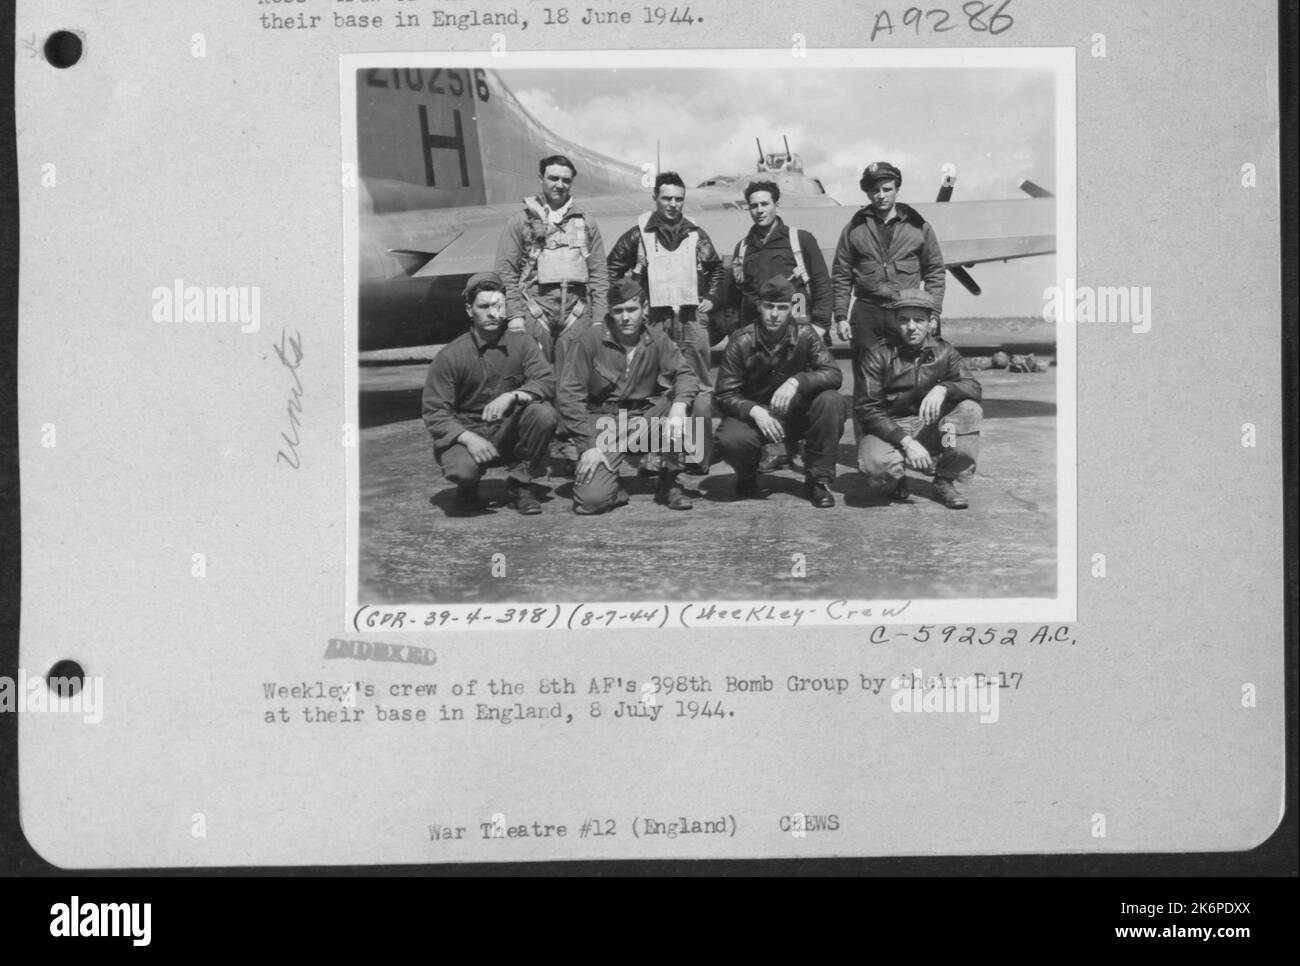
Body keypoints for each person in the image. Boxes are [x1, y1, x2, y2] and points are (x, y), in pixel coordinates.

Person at [606, 171, 725, 472]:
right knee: (654, 389)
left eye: (678, 199)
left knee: (698, 388)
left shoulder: (696, 233)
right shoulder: (638, 234)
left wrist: (710, 297)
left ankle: (697, 455)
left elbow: (716, 269)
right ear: (655, 198)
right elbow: (611, 269)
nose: (673, 204)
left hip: (690, 319)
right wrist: (631, 302)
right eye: (666, 198)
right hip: (655, 321)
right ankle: (655, 454)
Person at [557, 278, 700, 514]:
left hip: (642, 418)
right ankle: (611, 482)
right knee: (591, 502)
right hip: (602, 424)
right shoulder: (588, 340)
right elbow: (569, 397)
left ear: (644, 309)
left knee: (696, 403)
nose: (625, 317)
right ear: (610, 312)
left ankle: (669, 479)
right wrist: (588, 446)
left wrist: (678, 406)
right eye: (618, 311)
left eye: (632, 309)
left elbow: (686, 374)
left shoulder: (657, 338)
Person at [421, 273, 559, 514]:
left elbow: (546, 380)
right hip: (468, 432)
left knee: (543, 414)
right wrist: (467, 437)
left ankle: (520, 483)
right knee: (462, 469)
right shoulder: (451, 355)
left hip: (507, 432)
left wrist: (514, 396)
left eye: (497, 305)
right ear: (469, 310)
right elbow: (435, 412)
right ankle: (468, 487)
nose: (492, 313)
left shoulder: (523, 344)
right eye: (483, 306)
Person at [729, 179, 834, 473]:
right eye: (754, 205)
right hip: (761, 341)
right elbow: (738, 296)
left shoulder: (800, 240)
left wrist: (822, 326)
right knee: (763, 393)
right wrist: (736, 334)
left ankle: (806, 451)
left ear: (776, 205)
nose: (759, 210)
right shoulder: (743, 247)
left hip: (800, 336)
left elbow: (822, 283)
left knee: (806, 393)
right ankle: (774, 449)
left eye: (765, 204)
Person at [714, 276, 847, 508]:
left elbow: (833, 373)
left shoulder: (806, 334)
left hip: (797, 413)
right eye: (769, 307)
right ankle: (747, 473)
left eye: (782, 308)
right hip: (759, 417)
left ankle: (818, 480)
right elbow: (724, 394)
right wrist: (754, 410)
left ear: (791, 309)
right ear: (759, 306)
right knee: (730, 439)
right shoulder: (741, 341)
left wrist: (798, 381)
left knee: (831, 401)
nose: (775, 314)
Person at [854, 289, 982, 509]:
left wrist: (944, 389)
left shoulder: (946, 352)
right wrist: (908, 443)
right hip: (892, 430)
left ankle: (944, 479)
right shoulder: (878, 355)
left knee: (969, 410)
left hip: (934, 430)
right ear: (895, 321)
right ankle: (895, 477)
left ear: (931, 322)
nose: (911, 327)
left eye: (918, 320)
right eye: (904, 320)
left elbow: (973, 387)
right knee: (876, 464)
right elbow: (868, 409)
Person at [495, 154, 609, 370]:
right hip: (535, 310)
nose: (559, 185)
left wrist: (599, 320)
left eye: (566, 180)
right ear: (541, 178)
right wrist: (515, 315)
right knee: (536, 377)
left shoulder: (586, 222)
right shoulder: (521, 222)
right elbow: (505, 272)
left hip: (577, 312)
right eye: (553, 178)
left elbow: (599, 274)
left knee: (575, 380)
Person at [832, 161, 946, 367]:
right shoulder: (854, 228)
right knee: (866, 374)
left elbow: (935, 271)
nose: (881, 195)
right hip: (867, 313)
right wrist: (841, 316)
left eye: (887, 189)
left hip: (905, 311)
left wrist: (934, 313)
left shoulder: (918, 227)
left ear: (897, 190)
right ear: (868, 194)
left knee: (908, 374)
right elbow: (842, 274)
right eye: (875, 190)